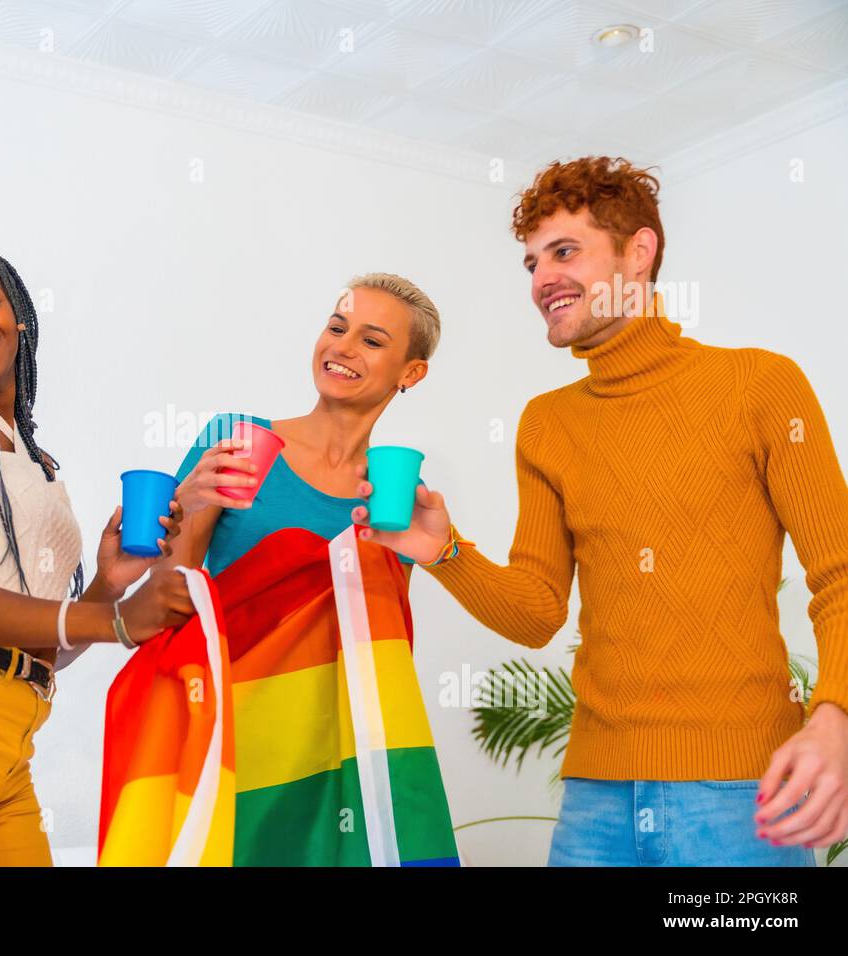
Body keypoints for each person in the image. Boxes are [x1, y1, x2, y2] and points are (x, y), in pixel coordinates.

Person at [354, 156, 848, 866]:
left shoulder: (760, 386)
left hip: (740, 796)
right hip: (595, 801)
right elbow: (537, 611)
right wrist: (442, 550)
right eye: (530, 263)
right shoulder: (546, 423)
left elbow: (840, 573)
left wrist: (835, 718)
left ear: (638, 253)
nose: (541, 280)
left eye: (564, 252)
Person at [0, 244, 194, 866]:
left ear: (21, 316)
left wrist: (106, 588)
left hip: (15, 741)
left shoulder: (35, 459)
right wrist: (115, 622)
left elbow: (41, 654)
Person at [169, 272, 436, 578]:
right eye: (337, 328)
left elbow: (388, 619)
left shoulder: (398, 489)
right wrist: (185, 508)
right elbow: (167, 592)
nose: (342, 347)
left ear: (412, 373)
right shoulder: (236, 439)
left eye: (371, 341)